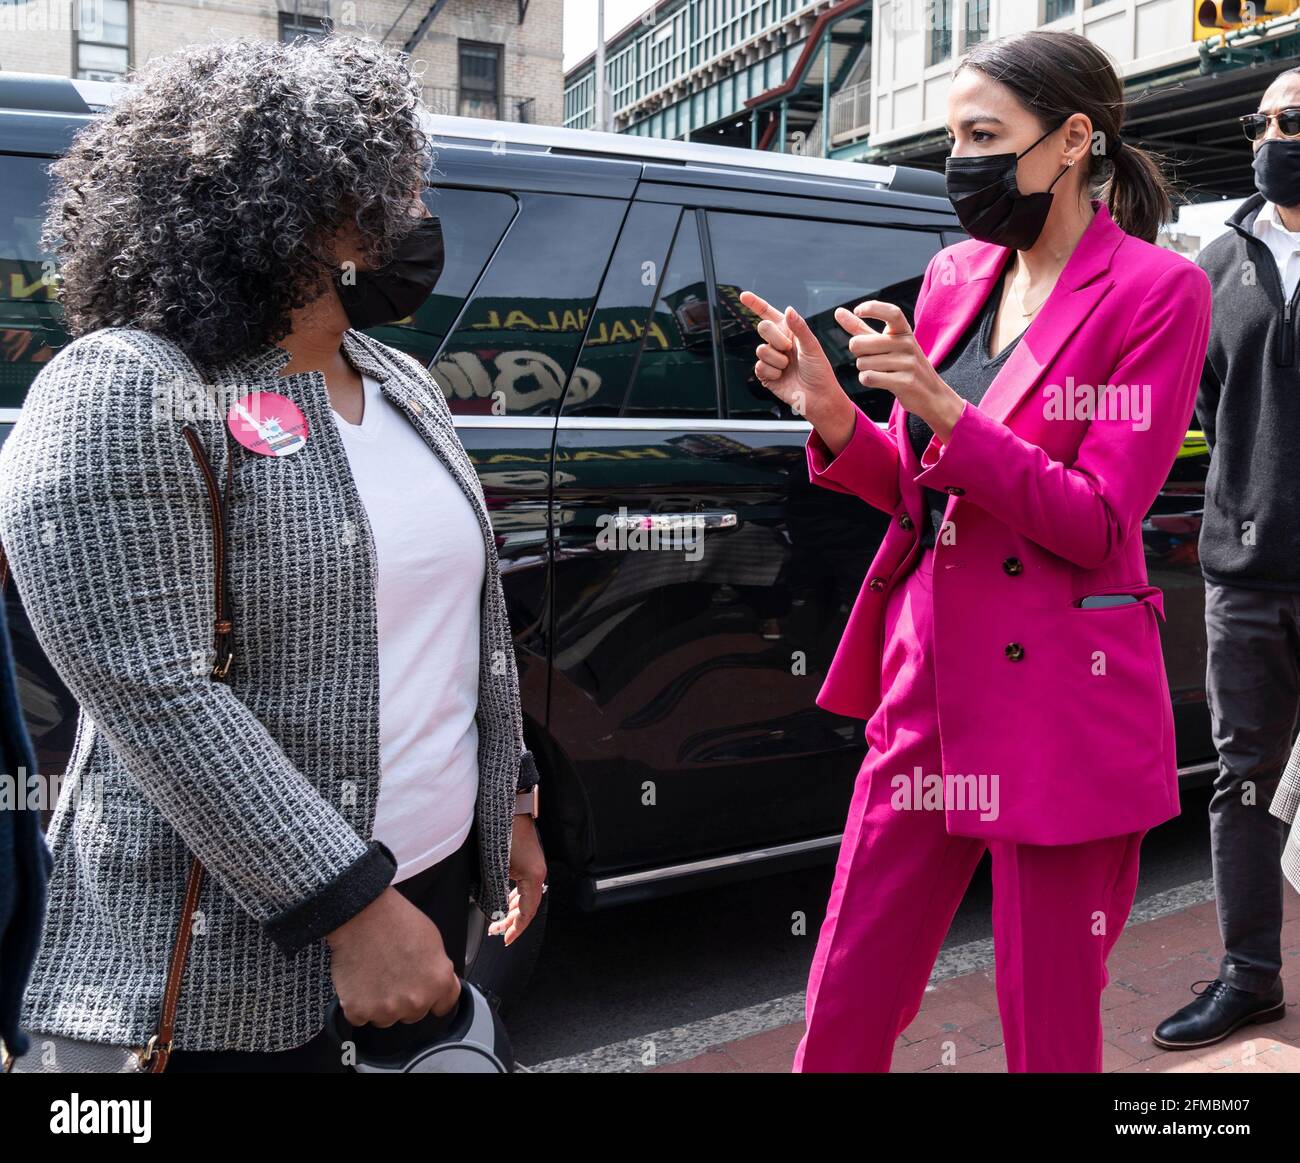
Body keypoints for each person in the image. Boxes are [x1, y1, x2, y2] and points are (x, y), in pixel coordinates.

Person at [0, 34, 544, 1072]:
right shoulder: (122, 386)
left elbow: (456, 626)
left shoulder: (398, 379)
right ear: (303, 209)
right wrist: (348, 908)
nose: (420, 217)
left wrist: (508, 795)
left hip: (425, 881)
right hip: (222, 963)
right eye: (399, 189)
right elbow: (154, 686)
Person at [741, 29, 1211, 1072]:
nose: (961, 160)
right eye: (955, 135)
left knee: (1048, 1013)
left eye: (984, 135)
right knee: (848, 982)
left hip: (1059, 696)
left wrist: (944, 405)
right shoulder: (956, 274)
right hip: (926, 688)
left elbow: (1094, 519)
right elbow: (918, 496)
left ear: (1072, 140)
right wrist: (828, 410)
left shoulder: (1157, 294)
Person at [1154, 67, 1300, 1051]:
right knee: (1243, 779)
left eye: (1290, 119)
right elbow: (1209, 410)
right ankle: (1249, 976)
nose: (1271, 134)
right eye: (1264, 121)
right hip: (1244, 580)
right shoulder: (1214, 263)